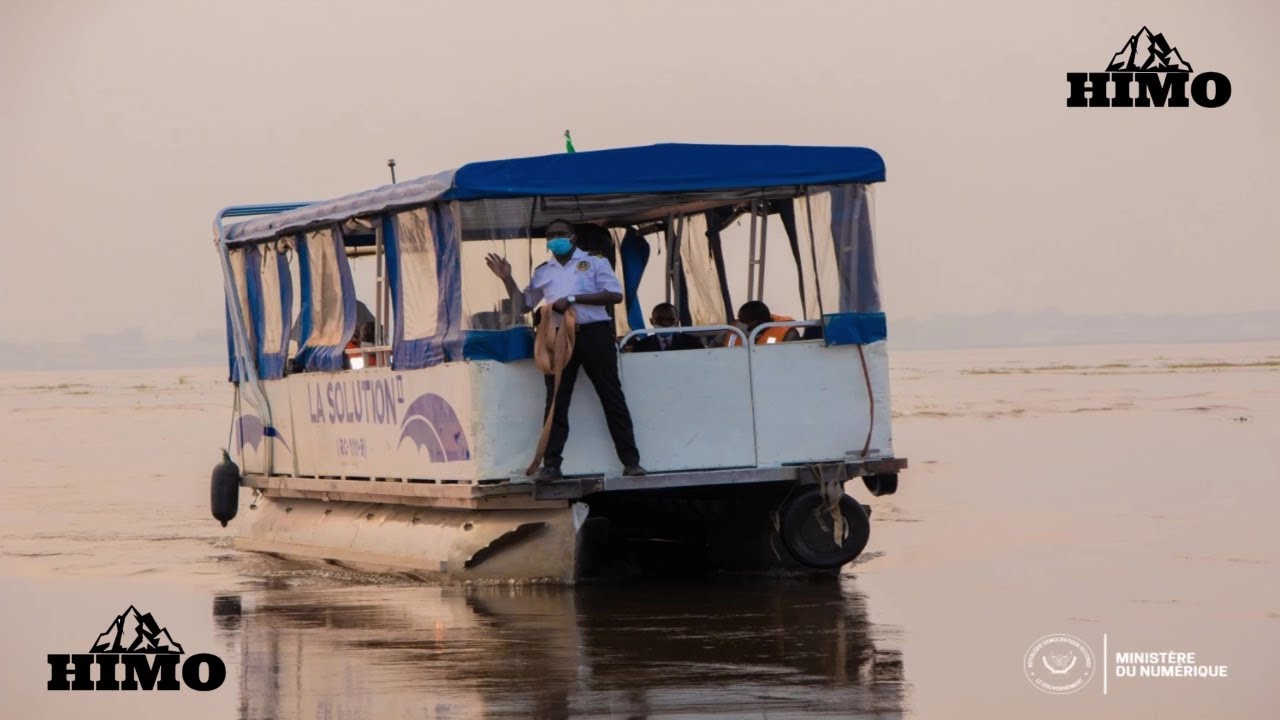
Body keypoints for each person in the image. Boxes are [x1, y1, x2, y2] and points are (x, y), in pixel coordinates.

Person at [485, 219, 646, 481]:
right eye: (551, 235)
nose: (555, 238)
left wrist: (572, 299)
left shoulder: (594, 262)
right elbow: (524, 305)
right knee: (556, 401)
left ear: (573, 237)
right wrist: (507, 278)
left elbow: (614, 295)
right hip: (560, 337)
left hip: (594, 334)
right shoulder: (543, 270)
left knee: (611, 397)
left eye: (561, 233)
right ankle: (551, 465)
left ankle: (631, 462)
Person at [625, 302, 704, 352]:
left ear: (677, 322)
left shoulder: (692, 343)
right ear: (651, 321)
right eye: (660, 319)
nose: (665, 323)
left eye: (670, 319)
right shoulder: (641, 346)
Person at [724, 300, 799, 346]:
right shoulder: (732, 331)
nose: (739, 324)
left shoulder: (788, 336)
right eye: (739, 319)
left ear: (758, 323)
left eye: (744, 321)